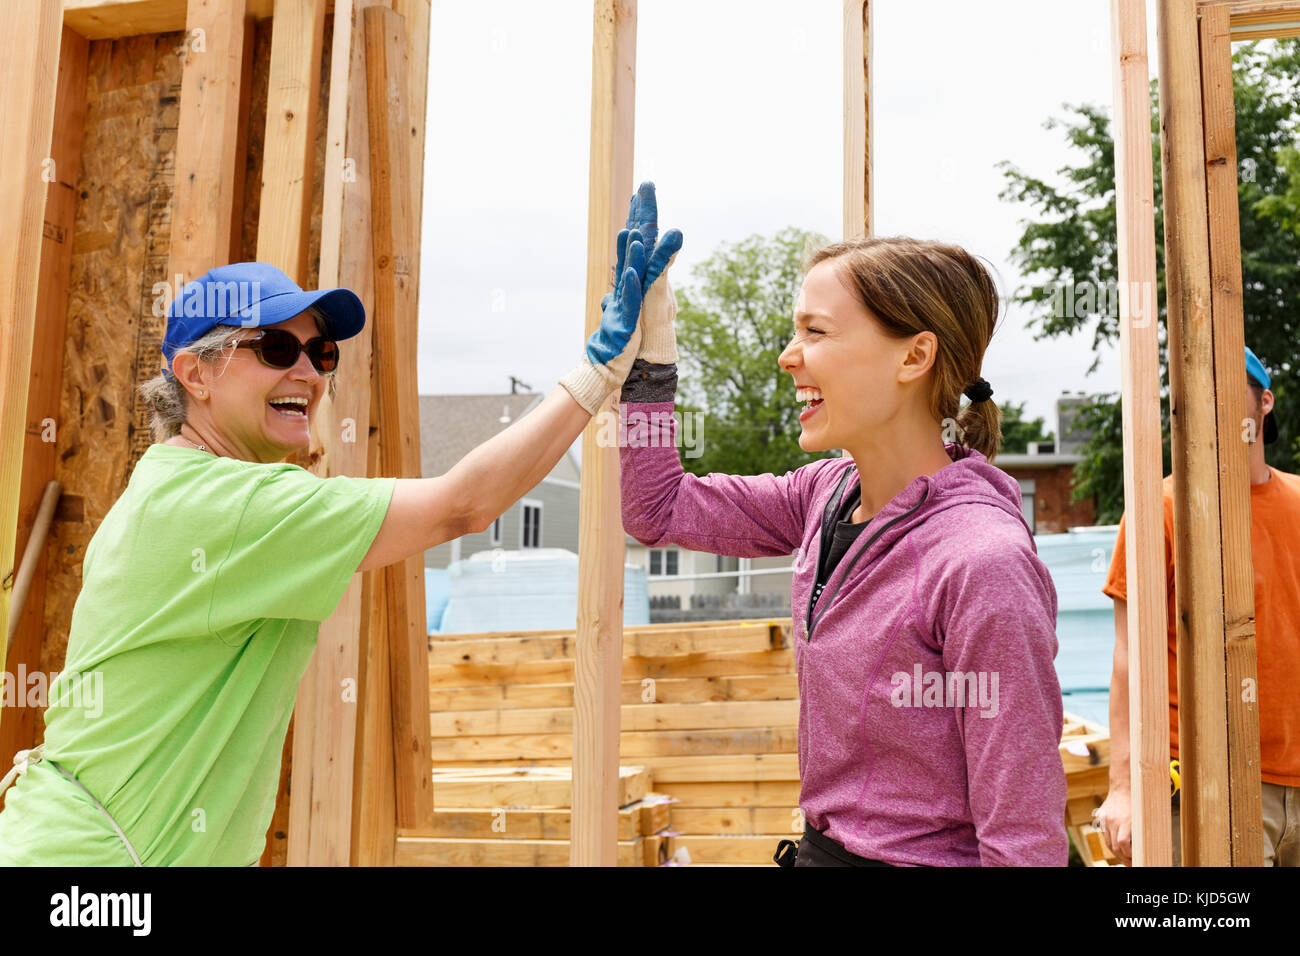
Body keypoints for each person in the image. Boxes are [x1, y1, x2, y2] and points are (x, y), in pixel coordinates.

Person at [0, 184, 681, 866]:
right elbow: (462, 506)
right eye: (273, 348)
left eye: (321, 354)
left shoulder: (174, 485)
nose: (307, 370)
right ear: (194, 375)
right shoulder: (230, 505)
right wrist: (598, 375)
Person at [619, 226, 1067, 865]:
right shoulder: (822, 497)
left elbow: (1023, 839)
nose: (788, 356)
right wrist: (649, 359)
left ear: (914, 357)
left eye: (815, 332)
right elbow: (656, 510)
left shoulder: (980, 563)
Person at [1098, 346, 1300, 867]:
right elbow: (1127, 656)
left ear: (1265, 402)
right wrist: (1122, 787)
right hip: (1207, 786)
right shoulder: (1159, 512)